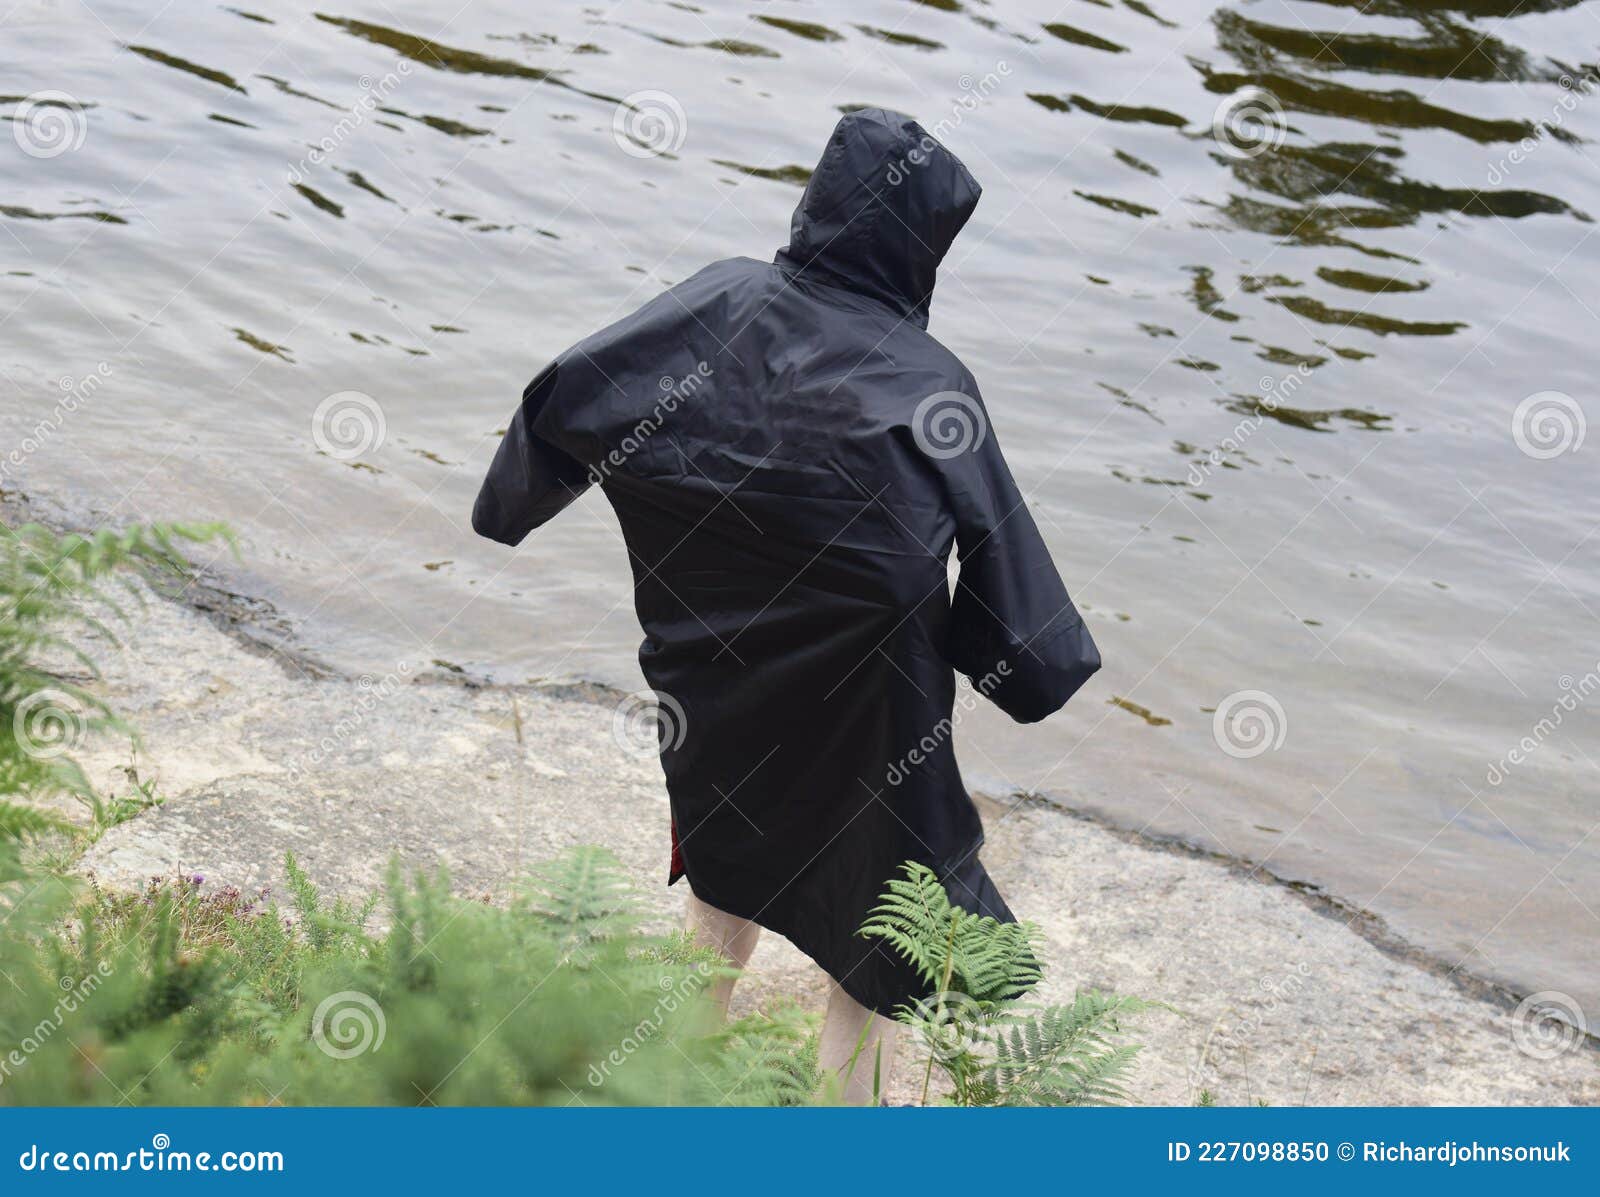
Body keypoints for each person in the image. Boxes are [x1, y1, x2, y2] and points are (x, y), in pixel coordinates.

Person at [473, 107, 1100, 1103]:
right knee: (881, 949)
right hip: (870, 731)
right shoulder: (929, 384)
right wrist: (1023, 668)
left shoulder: (707, 303)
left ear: (818, 203)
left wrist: (514, 506)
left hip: (710, 690)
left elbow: (563, 398)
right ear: (924, 247)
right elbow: (1028, 634)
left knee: (724, 887)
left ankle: (671, 1095)